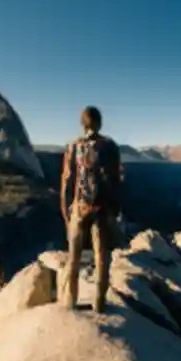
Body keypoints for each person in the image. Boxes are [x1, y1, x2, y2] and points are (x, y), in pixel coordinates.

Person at [60, 105, 123, 312]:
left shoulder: (74, 146)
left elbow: (67, 180)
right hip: (102, 209)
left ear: (82, 123)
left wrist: (67, 211)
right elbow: (115, 181)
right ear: (99, 122)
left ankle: (70, 303)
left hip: (79, 207)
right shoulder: (110, 147)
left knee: (73, 258)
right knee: (102, 259)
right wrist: (115, 210)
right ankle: (99, 306)